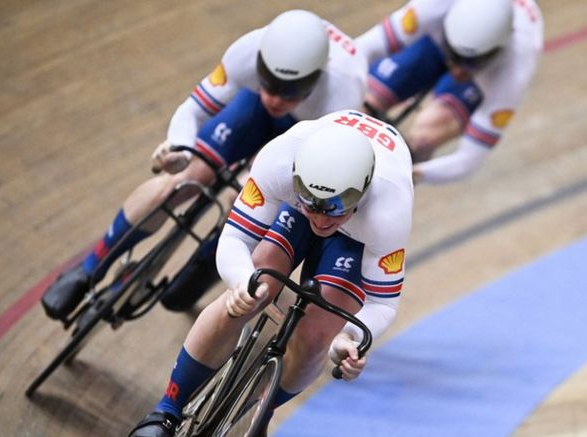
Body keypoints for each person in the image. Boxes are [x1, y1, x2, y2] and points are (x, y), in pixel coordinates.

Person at [128, 110, 414, 437]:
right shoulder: (279, 161)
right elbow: (234, 239)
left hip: (355, 241)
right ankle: (167, 409)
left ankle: (258, 412)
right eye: (311, 201)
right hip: (292, 208)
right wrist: (242, 283)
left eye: (334, 208)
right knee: (255, 289)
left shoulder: (387, 212)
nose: (321, 218)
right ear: (297, 179)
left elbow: (382, 303)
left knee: (315, 337)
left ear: (361, 193)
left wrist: (350, 337)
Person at [41, 9, 368, 320]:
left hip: (306, 137)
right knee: (184, 179)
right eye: (267, 82)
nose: (275, 98)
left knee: (249, 201)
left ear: (315, 79)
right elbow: (193, 109)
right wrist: (178, 148)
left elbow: (313, 171)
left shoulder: (343, 91)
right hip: (250, 112)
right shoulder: (247, 50)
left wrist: (253, 181)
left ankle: (206, 264)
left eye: (290, 92)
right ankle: (87, 269)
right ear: (261, 63)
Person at [354, 0, 543, 184]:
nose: (456, 70)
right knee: (366, 101)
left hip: (484, 77)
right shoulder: (433, 7)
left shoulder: (514, 69)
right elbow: (357, 51)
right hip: (434, 43)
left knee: (424, 140)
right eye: (454, 56)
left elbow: (467, 161)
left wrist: (408, 175)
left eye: (469, 63)